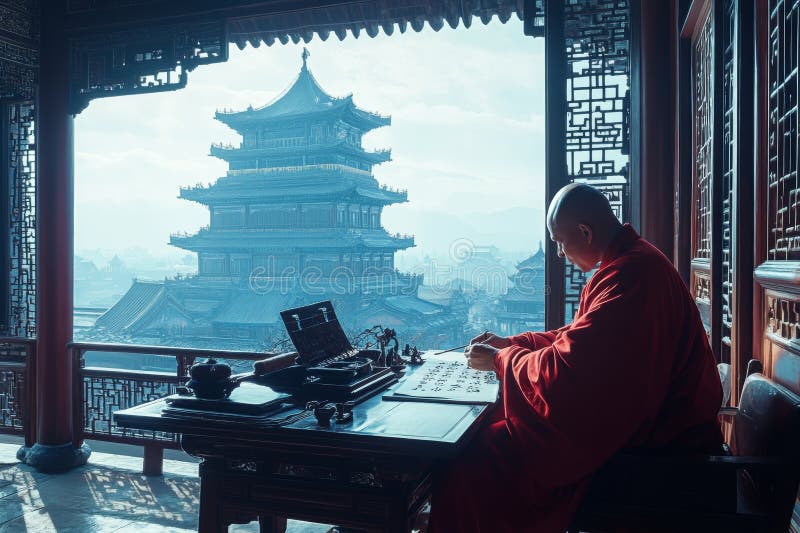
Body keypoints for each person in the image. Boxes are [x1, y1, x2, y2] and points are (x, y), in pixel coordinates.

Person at [428, 183, 723, 532]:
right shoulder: (628, 264)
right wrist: (514, 341)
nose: (558, 253)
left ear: (585, 232)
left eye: (559, 241)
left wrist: (502, 359)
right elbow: (577, 339)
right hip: (646, 430)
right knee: (490, 435)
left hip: (657, 456)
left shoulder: (633, 275)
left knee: (475, 459)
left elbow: (568, 377)